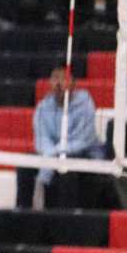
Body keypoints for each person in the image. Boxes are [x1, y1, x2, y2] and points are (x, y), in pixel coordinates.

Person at [29, 66, 109, 210]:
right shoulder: (43, 107)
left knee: (67, 173)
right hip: (52, 156)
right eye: (55, 78)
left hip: (84, 154)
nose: (59, 83)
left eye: (63, 78)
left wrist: (54, 153)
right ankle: (25, 217)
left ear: (73, 83)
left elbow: (82, 140)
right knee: (25, 167)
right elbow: (41, 139)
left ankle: (65, 223)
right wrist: (51, 156)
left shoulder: (85, 102)